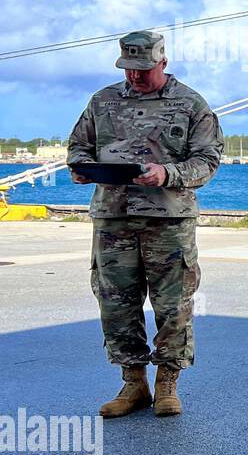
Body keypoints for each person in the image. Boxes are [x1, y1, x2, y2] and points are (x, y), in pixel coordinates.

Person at [67, 30, 224, 418]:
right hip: (113, 218)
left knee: (173, 306)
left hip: (167, 221)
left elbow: (207, 160)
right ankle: (133, 382)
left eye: (143, 69)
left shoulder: (190, 104)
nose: (135, 76)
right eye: (128, 69)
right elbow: (77, 146)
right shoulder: (101, 101)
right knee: (116, 303)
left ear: (162, 63)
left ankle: (167, 383)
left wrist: (167, 173)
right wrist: (83, 169)